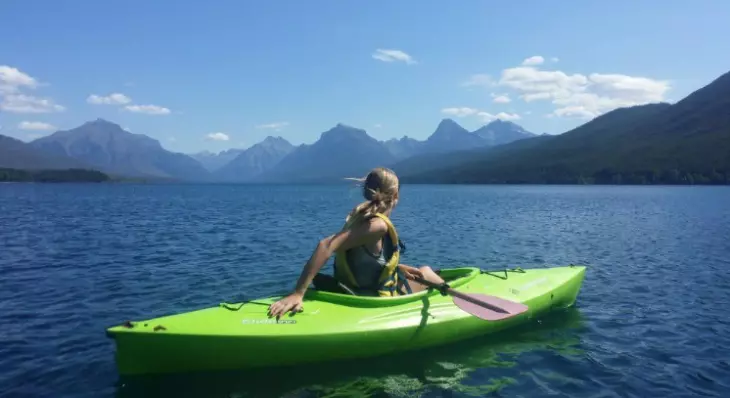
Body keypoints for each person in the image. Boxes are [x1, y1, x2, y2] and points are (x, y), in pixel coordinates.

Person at [267, 167, 446, 318]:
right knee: (426, 272)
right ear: (396, 195)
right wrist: (298, 293)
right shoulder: (378, 226)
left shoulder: (359, 217)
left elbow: (364, 261)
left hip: (355, 289)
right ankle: (454, 304)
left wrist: (397, 268)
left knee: (416, 273)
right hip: (371, 299)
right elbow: (326, 245)